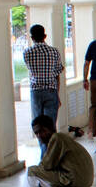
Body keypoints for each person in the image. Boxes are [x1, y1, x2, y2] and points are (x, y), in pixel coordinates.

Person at [22, 24, 64, 153]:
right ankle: (51, 155)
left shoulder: (27, 53)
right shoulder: (54, 51)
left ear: (32, 37)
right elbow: (57, 74)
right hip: (51, 90)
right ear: (45, 36)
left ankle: (44, 153)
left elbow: (30, 69)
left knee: (38, 127)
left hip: (35, 91)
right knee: (50, 126)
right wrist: (57, 95)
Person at [26, 115, 94, 187]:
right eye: (36, 133)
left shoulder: (56, 138)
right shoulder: (61, 137)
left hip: (75, 181)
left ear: (50, 128)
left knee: (31, 171)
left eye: (41, 131)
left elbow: (46, 166)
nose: (39, 136)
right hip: (86, 181)